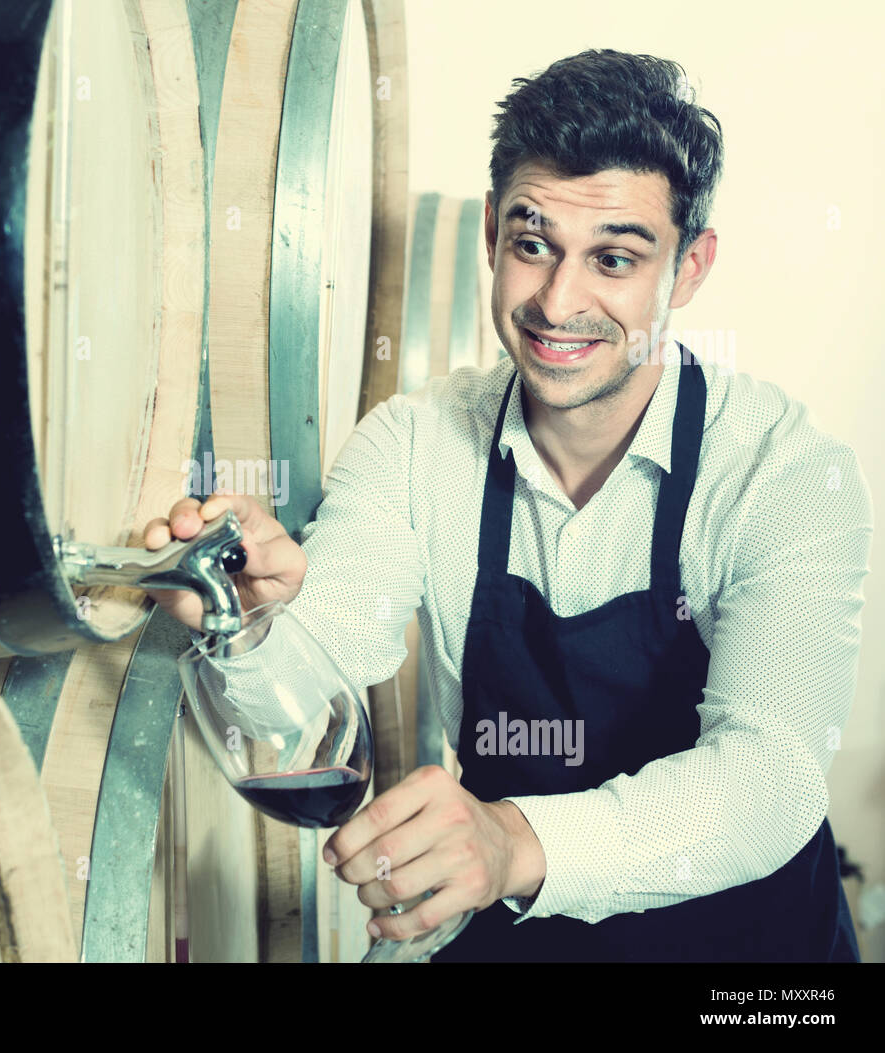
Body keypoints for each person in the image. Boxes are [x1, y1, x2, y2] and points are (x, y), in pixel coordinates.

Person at [145, 49, 871, 962]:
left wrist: (515, 841)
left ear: (688, 270)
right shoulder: (414, 445)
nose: (559, 302)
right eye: (534, 245)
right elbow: (315, 661)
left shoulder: (784, 471)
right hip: (526, 931)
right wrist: (248, 624)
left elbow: (769, 778)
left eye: (615, 257)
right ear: (492, 234)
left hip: (753, 957)